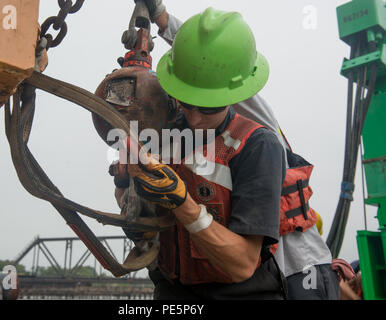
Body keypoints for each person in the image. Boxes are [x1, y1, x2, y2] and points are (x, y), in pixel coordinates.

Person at [124, 0, 341, 300]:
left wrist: (183, 203)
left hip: (288, 270)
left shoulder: (259, 139)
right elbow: (198, 66)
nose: (195, 116)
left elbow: (242, 265)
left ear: (236, 95)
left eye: (208, 106)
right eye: (186, 101)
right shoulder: (168, 135)